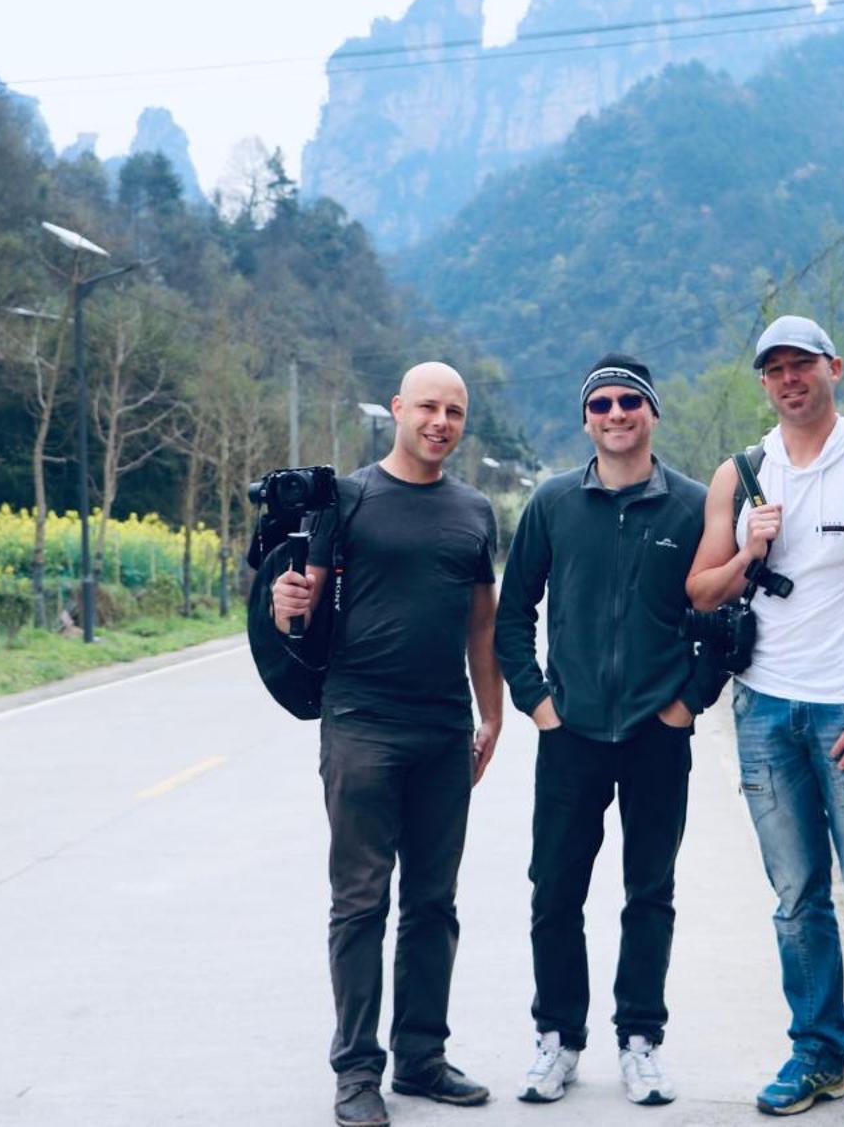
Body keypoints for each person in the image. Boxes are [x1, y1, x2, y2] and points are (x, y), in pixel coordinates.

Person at [685, 317, 844, 1127]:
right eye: (776, 370)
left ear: (834, 367)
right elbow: (701, 590)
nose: (791, 379)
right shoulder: (743, 474)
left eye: (804, 365)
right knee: (796, 897)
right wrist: (748, 553)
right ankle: (817, 1054)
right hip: (765, 711)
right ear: (764, 382)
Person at [271, 361, 504, 1127]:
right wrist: (283, 606)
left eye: (456, 411)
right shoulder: (349, 497)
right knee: (362, 899)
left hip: (443, 729)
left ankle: (422, 1056)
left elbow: (480, 623)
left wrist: (491, 714)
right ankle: (356, 1070)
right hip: (361, 723)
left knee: (434, 902)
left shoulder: (474, 511)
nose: (441, 421)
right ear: (398, 409)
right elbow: (297, 604)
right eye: (429, 406)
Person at [495, 353, 720, 1108]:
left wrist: (690, 700)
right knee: (554, 891)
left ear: (652, 412)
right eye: (601, 403)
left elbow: (722, 616)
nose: (616, 413)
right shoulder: (554, 503)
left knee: (648, 891)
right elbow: (512, 611)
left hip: (659, 733)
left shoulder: (691, 506)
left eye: (630, 401)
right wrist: (538, 704)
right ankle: (558, 1038)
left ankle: (641, 1039)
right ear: (585, 417)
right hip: (573, 734)